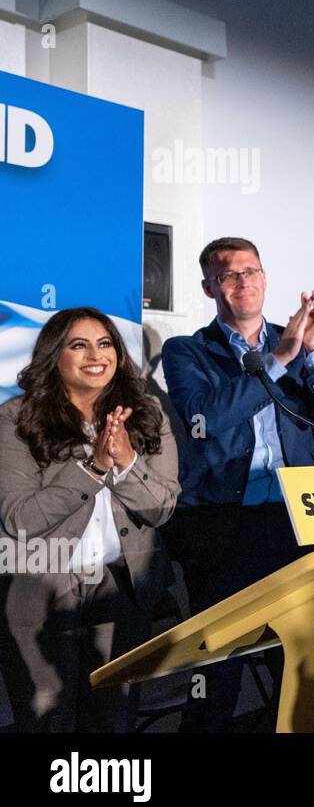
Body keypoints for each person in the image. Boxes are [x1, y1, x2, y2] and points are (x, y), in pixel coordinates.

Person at [159, 236, 314, 729]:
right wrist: (279, 360)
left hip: (297, 526)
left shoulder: (295, 346)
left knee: (303, 667)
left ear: (265, 280)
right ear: (209, 287)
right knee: (218, 675)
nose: (243, 282)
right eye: (229, 274)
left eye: (251, 271)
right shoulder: (187, 351)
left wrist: (311, 351)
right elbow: (207, 418)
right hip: (226, 530)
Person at [0, 307, 179, 731]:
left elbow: (161, 507)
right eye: (78, 344)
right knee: (49, 720)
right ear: (53, 356)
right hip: (40, 588)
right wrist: (93, 469)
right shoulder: (16, 418)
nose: (94, 354)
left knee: (113, 717)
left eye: (104, 343)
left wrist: (125, 463)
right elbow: (19, 519)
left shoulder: (147, 412)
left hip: (121, 587)